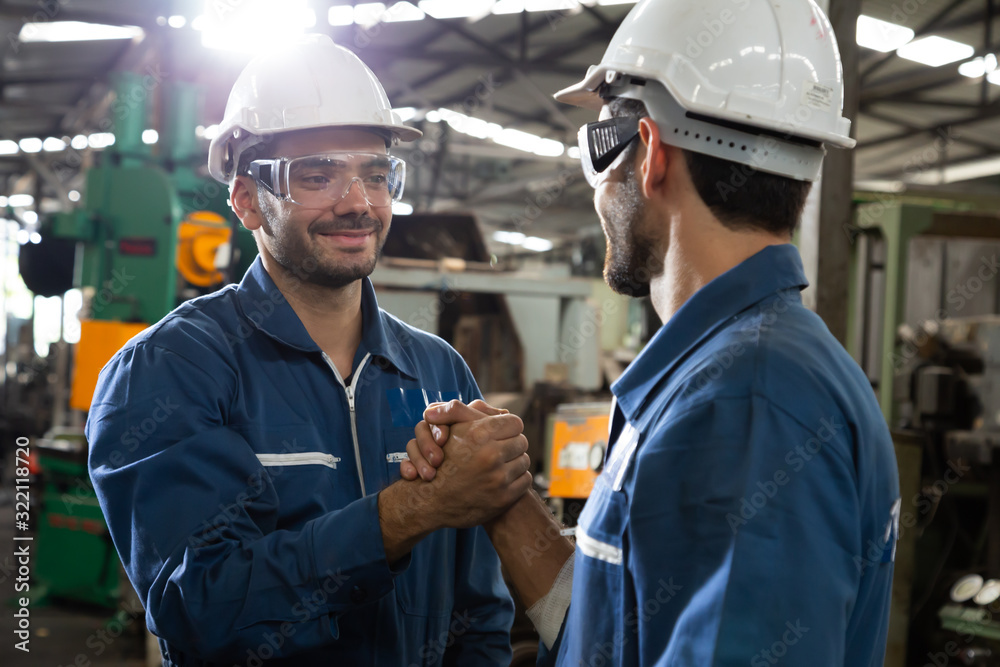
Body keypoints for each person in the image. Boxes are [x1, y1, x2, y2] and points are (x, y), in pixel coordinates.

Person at [402, 0, 901, 664]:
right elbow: (615, 627)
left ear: (650, 154)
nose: (597, 192)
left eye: (599, 157)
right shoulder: (734, 374)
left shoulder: (746, 405)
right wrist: (502, 500)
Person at [86, 35, 532, 666]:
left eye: (375, 175)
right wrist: (408, 512)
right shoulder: (170, 370)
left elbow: (480, 615)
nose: (358, 203)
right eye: (318, 176)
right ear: (246, 200)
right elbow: (201, 610)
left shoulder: (437, 370)